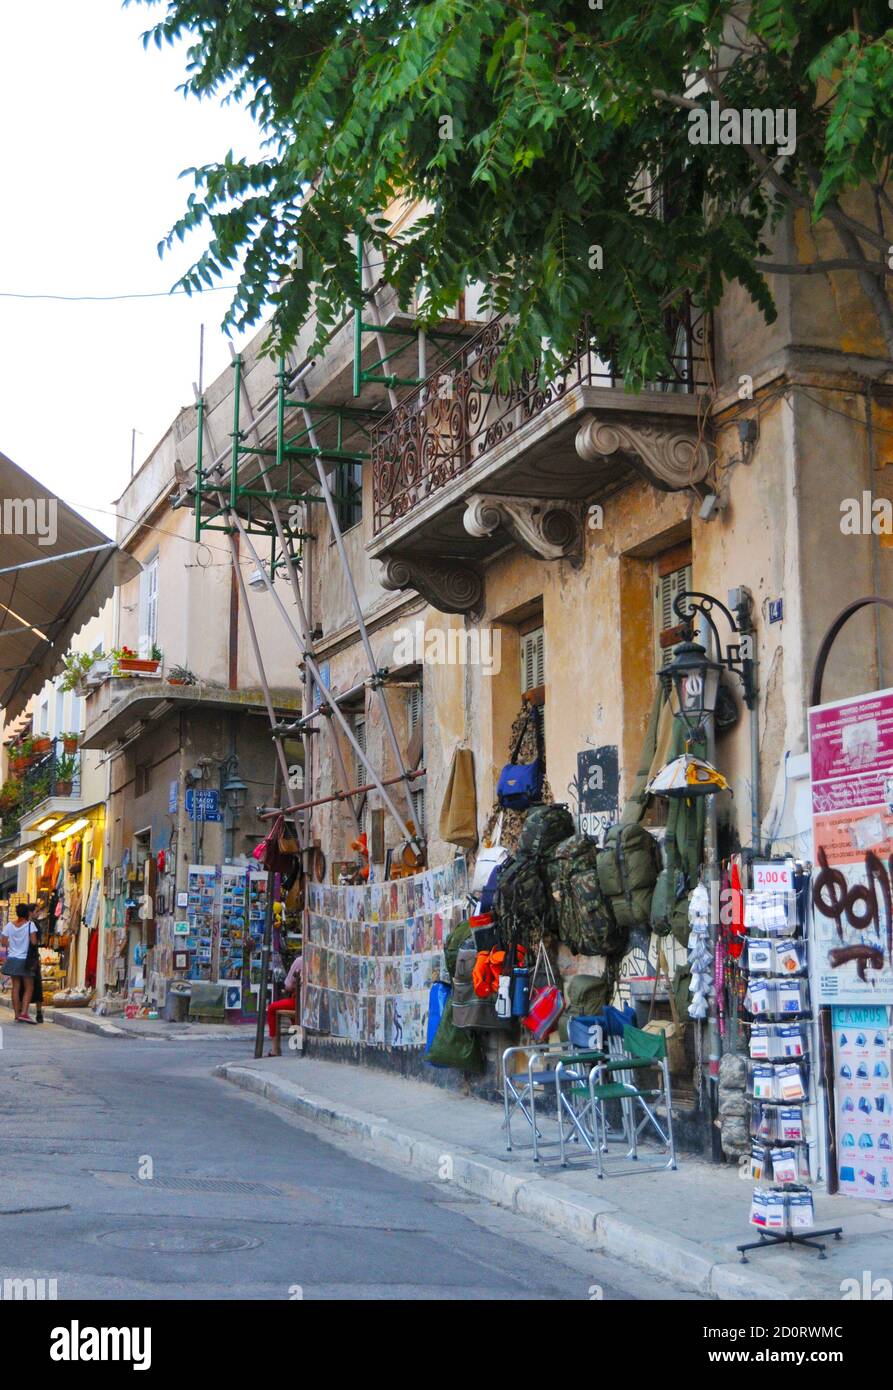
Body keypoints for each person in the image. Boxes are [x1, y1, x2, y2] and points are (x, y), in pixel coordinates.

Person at [1, 903, 39, 1023]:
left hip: (12, 959)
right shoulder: (30, 925)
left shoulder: (9, 926)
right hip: (25, 960)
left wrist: (14, 944)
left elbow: (4, 942)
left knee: (16, 987)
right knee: (29, 987)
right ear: (27, 913)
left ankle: (17, 1014)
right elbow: (33, 942)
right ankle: (24, 1013)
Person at [266, 953, 302, 1048]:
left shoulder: (300, 961)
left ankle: (275, 1048)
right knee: (294, 1012)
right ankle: (298, 1042)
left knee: (271, 1008)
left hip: (299, 1002)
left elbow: (288, 986)